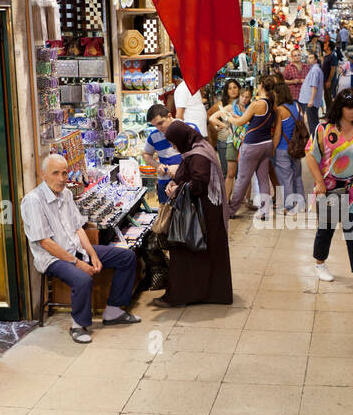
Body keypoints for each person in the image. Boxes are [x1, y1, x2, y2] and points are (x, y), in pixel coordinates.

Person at [20, 153, 141, 343]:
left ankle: (114, 310)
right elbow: (45, 243)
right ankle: (78, 325)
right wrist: (78, 263)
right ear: (43, 175)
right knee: (82, 279)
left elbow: (78, 228)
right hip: (52, 258)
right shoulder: (33, 201)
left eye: (64, 173)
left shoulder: (66, 193)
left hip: (75, 249)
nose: (61, 178)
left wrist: (92, 255)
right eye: (55, 173)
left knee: (126, 257)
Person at [305, 89, 353, 295]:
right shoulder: (324, 129)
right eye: (348, 107)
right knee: (326, 229)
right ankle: (320, 263)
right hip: (329, 187)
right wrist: (319, 182)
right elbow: (310, 156)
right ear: (340, 108)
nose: (352, 112)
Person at [160, 122, 233, 306]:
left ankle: (187, 294)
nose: (175, 147)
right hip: (203, 210)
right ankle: (202, 292)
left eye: (175, 143)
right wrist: (175, 183)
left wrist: (178, 189)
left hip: (202, 213)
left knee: (189, 250)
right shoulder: (196, 148)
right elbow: (187, 173)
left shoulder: (198, 155)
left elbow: (199, 184)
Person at [225, 74, 278, 221]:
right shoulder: (272, 103)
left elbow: (241, 121)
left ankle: (231, 210)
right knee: (263, 179)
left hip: (252, 145)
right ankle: (265, 211)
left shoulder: (256, 104)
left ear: (260, 85)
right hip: (266, 144)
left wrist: (227, 117)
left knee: (242, 178)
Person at [274, 81, 307, 213]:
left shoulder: (280, 110)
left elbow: (277, 133)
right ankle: (302, 204)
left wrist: (273, 148)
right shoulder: (297, 106)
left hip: (283, 148)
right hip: (297, 147)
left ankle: (289, 206)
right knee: (297, 175)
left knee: (286, 178)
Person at [144, 104, 183, 206]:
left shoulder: (187, 128)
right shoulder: (154, 136)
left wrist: (179, 168)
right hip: (164, 183)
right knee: (165, 217)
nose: (159, 128)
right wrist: (157, 165)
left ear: (169, 116)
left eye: (160, 123)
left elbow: (198, 157)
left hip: (184, 181)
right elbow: (146, 154)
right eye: (155, 125)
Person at [171, 73, 208, 140]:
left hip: (199, 131)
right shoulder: (183, 89)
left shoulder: (192, 87)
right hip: (192, 133)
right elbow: (179, 115)